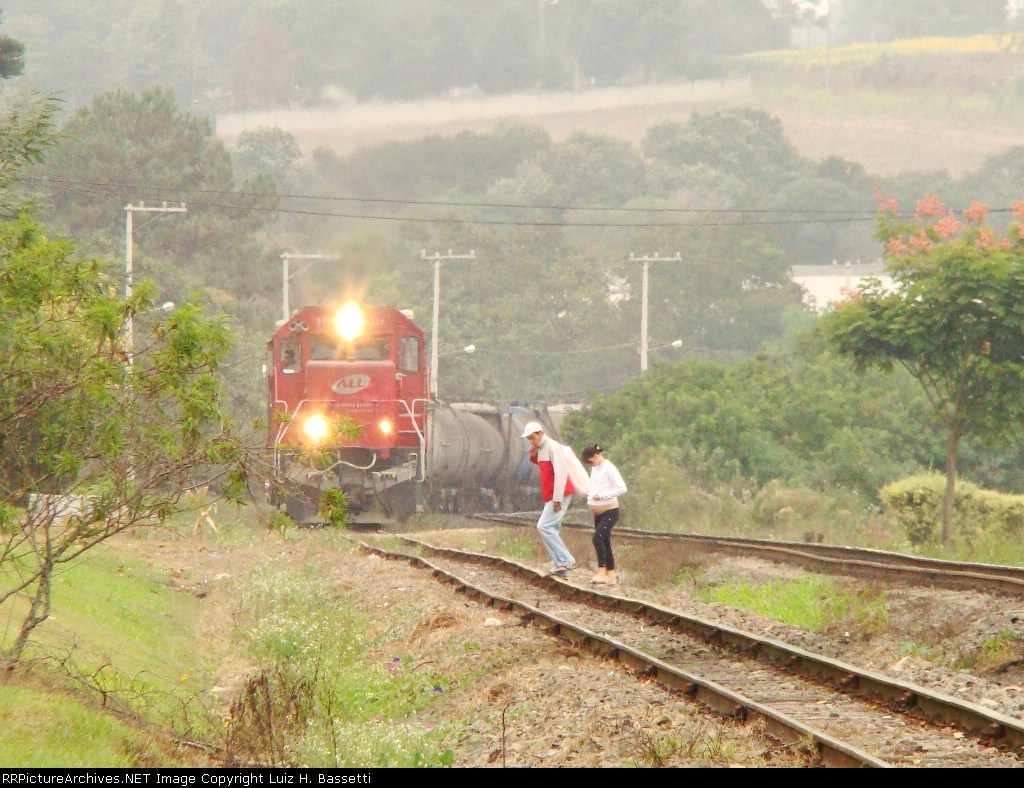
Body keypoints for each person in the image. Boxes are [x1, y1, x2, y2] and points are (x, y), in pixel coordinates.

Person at [521, 421, 576, 575]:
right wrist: (533, 454)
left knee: (543, 526)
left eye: (532, 437)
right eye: (529, 439)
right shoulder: (542, 448)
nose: (531, 441)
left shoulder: (553, 447)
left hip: (559, 494)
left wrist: (557, 499)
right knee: (552, 528)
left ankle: (566, 560)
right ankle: (560, 567)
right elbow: (543, 465)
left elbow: (561, 473)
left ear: (540, 433)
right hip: (551, 494)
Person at [582, 444, 627, 585]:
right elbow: (597, 485)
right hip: (598, 512)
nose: (590, 465)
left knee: (597, 538)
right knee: (605, 542)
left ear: (595, 456)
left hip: (610, 510)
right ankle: (611, 573)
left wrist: (602, 496)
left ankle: (601, 571)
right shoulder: (595, 469)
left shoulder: (609, 468)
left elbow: (622, 488)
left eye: (590, 461)